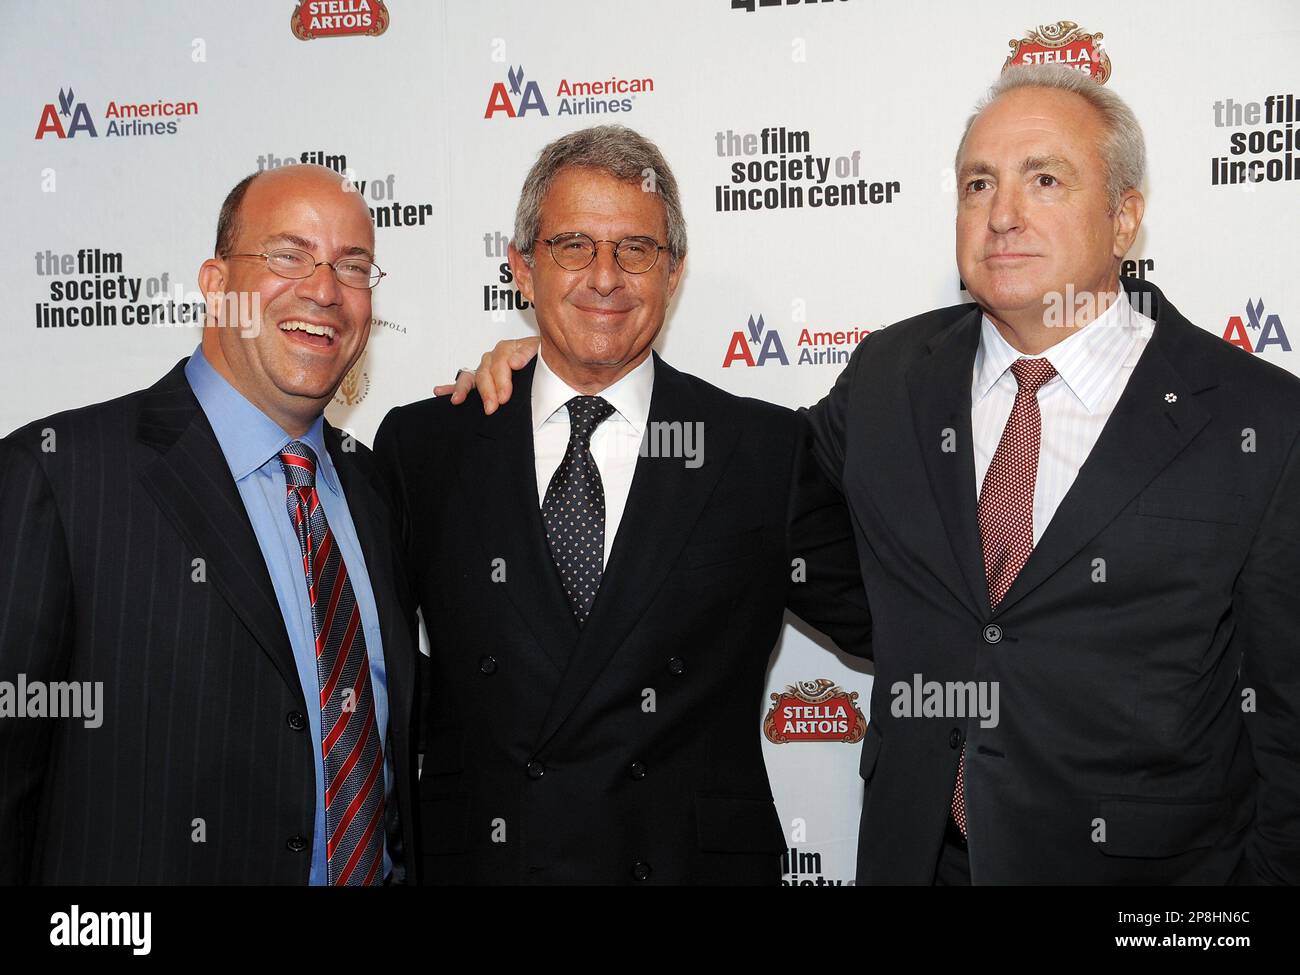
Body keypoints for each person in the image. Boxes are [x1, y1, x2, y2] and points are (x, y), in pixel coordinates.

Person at [455, 66, 1300, 884]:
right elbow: (735, 471)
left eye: (1044, 180)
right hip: (917, 857)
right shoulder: (893, 376)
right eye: (977, 184)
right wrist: (573, 367)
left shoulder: (1258, 422)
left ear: (1124, 218)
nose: (1002, 214)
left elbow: (1289, 734)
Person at [374, 126, 870, 885]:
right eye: (573, 246)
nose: (605, 277)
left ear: (672, 272)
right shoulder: (427, 446)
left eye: (635, 250)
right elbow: (362, 661)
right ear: (522, 268)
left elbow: (903, 617)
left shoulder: (759, 450)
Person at [0, 164, 420, 885]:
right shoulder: (62, 476)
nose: (323, 289)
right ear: (217, 284)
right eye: (287, 255)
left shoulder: (376, 485)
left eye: (352, 266)